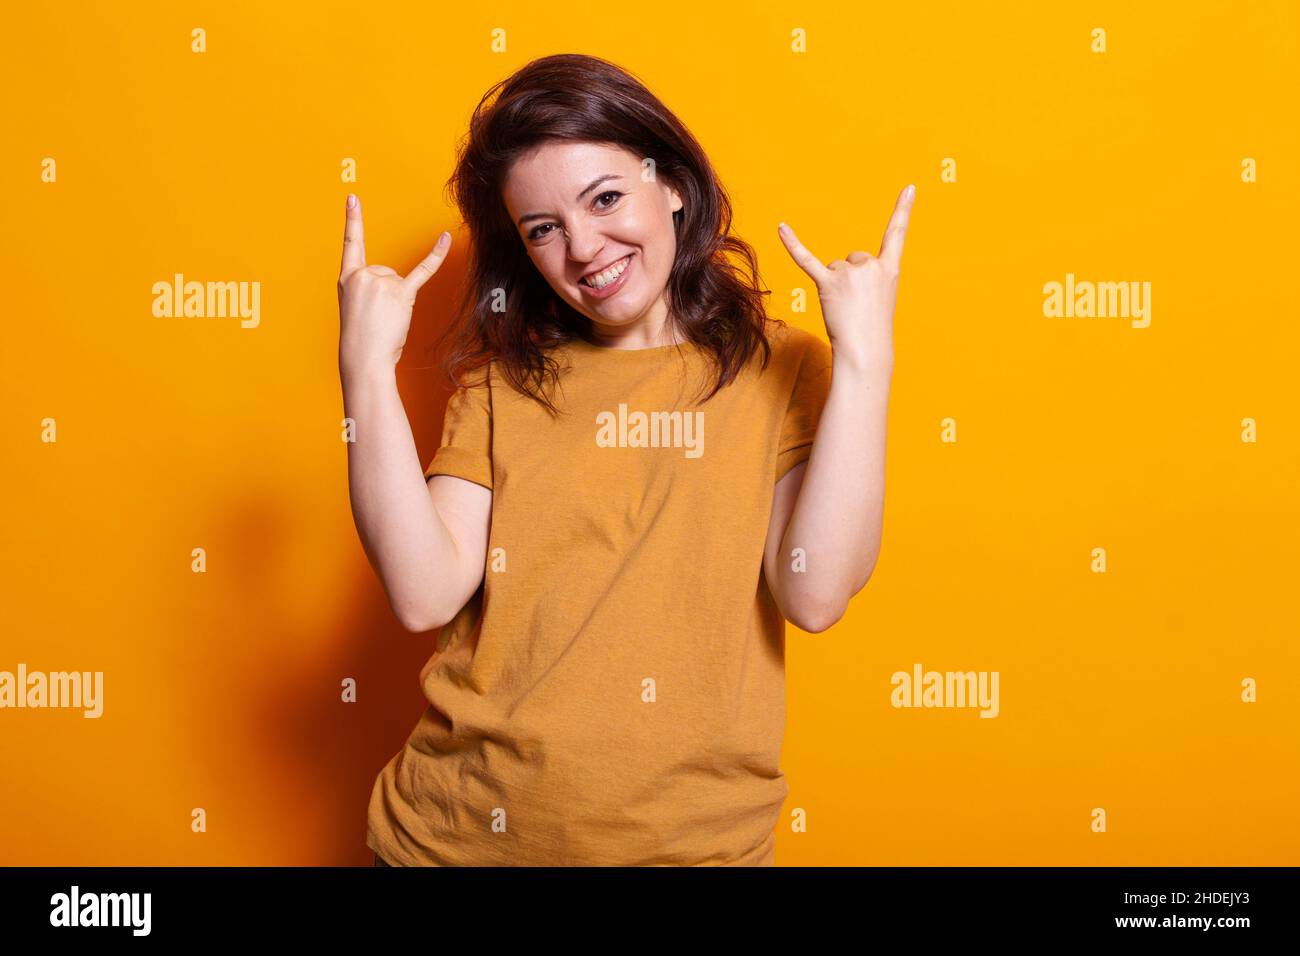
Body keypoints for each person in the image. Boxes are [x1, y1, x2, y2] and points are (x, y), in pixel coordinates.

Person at [338, 53, 912, 867]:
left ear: (673, 184)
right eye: (543, 229)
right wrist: (364, 372)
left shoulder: (786, 373)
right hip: (453, 842)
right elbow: (422, 592)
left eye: (605, 198)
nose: (582, 248)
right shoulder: (501, 389)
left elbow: (815, 595)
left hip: (690, 851)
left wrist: (866, 362)